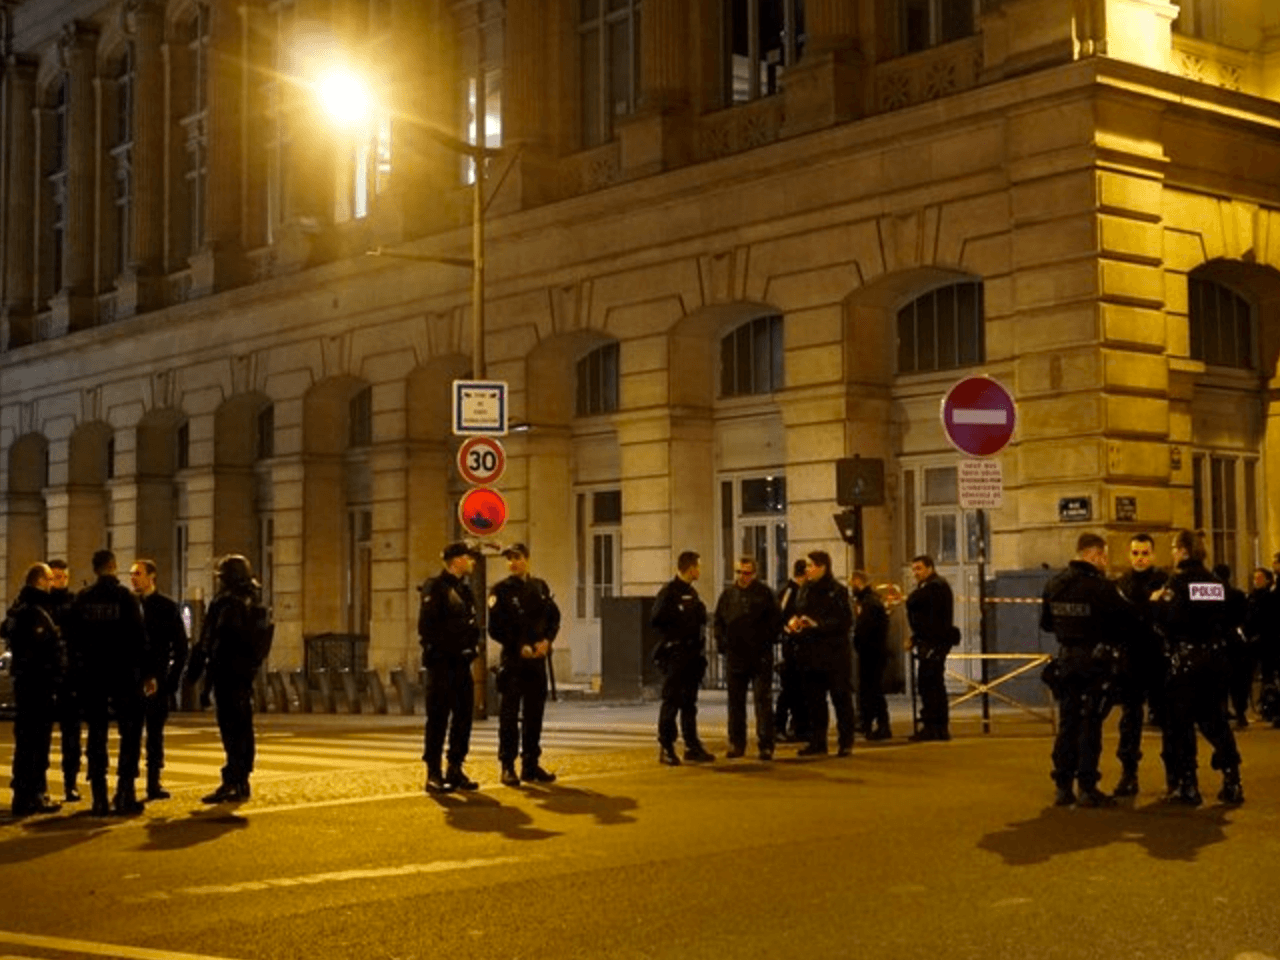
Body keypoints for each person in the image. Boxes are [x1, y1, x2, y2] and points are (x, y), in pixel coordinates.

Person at [1041, 533, 1137, 807]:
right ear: (1093, 554)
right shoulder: (1100, 588)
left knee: (1067, 724)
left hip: (1065, 662)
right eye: (1103, 556)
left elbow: (1047, 624)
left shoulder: (1054, 584)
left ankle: (1062, 785)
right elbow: (1126, 621)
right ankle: (1087, 785)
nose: (1105, 562)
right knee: (1090, 724)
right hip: (1093, 662)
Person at [1153, 529, 1243, 806]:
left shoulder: (1177, 584)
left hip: (1186, 661)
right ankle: (1232, 779)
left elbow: (1168, 620)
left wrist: (1155, 604)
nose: (1172, 552)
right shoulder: (1216, 582)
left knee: (1182, 724)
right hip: (1215, 660)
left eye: (1173, 547)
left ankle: (1188, 784)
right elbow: (1233, 614)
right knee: (1216, 721)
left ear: (1183, 550)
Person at [69, 549, 154, 816]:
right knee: (130, 734)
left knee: (96, 735)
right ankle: (125, 792)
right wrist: (148, 674)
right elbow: (140, 638)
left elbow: (73, 641)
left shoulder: (83, 599)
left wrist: (77, 673)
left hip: (93, 676)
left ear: (95, 569)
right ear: (114, 567)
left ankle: (99, 797)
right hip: (124, 675)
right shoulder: (126, 598)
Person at [192, 554, 272, 804]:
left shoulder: (226, 602)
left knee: (231, 728)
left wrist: (201, 677)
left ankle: (232, 780)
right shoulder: (255, 600)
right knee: (243, 727)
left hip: (226, 671)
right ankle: (242, 778)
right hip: (245, 672)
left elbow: (214, 641)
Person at [488, 543, 560, 786]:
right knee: (509, 715)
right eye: (509, 559)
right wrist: (519, 645)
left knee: (534, 715)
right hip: (514, 661)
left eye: (517, 558)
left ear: (527, 559)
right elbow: (495, 628)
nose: (513, 563)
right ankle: (507, 765)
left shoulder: (539, 587)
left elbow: (553, 618)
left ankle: (531, 764)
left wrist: (547, 641)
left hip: (537, 662)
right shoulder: (500, 590)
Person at [419, 542, 483, 792]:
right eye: (469, 557)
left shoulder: (464, 591)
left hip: (461, 664)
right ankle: (433, 772)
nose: (472, 562)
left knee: (463, 717)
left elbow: (471, 625)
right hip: (441, 664)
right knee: (438, 718)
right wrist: (448, 649)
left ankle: (455, 767)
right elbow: (428, 627)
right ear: (457, 560)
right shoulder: (435, 586)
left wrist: (471, 648)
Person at [1111, 533, 1169, 796]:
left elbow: (1165, 618)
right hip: (1131, 660)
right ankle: (1129, 773)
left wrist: (1143, 611)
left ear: (1153, 555)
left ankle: (1176, 774)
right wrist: (1149, 606)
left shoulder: (1164, 581)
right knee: (1130, 719)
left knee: (1169, 719)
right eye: (1136, 553)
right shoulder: (1122, 583)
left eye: (1145, 553)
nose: (1140, 558)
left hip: (1158, 659)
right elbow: (1124, 621)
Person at [4, 563, 63, 816]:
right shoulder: (38, 610)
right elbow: (46, 647)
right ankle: (36, 795)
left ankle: (22, 794)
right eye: (50, 579)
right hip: (39, 682)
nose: (53, 584)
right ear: (40, 581)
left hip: (24, 682)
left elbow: (4, 629)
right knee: (37, 742)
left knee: (24, 741)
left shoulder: (17, 608)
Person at [130, 559, 189, 801]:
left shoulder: (166, 607)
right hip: (131, 678)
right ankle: (128, 783)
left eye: (139, 574)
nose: (134, 578)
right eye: (132, 574)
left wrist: (172, 680)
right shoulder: (128, 604)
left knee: (155, 733)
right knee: (131, 733)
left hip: (157, 678)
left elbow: (181, 646)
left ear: (152, 576)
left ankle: (153, 781)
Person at [787, 551, 856, 757]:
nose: (806, 569)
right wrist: (796, 622)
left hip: (834, 654)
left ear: (822, 566)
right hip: (810, 653)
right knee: (814, 701)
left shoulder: (837, 591)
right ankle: (817, 741)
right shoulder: (804, 590)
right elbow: (796, 611)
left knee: (840, 698)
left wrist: (819, 625)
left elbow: (845, 621)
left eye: (810, 565)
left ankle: (845, 742)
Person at [713, 556, 782, 761]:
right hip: (736, 656)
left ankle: (766, 744)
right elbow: (719, 621)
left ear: (755, 573)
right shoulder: (728, 595)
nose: (743, 577)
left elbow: (776, 621)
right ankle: (736, 742)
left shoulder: (765, 594)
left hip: (760, 655)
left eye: (747, 573)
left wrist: (766, 640)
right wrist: (722, 644)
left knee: (763, 700)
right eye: (739, 572)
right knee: (735, 702)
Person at [651, 551, 714, 766]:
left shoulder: (692, 593)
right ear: (690, 568)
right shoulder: (669, 593)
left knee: (689, 702)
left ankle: (691, 744)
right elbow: (657, 619)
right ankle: (667, 746)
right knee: (672, 700)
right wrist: (678, 624)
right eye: (698, 566)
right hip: (676, 653)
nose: (699, 570)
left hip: (691, 655)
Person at [905, 554, 956, 742]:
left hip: (935, 642)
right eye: (914, 569)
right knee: (929, 684)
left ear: (930, 568)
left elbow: (916, 603)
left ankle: (935, 726)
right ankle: (934, 726)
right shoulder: (929, 587)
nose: (915, 573)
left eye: (919, 569)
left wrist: (919, 637)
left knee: (931, 684)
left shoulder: (936, 587)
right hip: (928, 641)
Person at [46, 559, 81, 803]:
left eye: (63, 577)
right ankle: (42, 786)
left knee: (72, 735)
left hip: (70, 676)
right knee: (40, 735)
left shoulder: (75, 602)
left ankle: (71, 783)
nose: (59, 581)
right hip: (46, 674)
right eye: (55, 576)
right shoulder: (39, 602)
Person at [850, 571, 892, 740]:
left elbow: (865, 629)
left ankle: (881, 724)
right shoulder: (870, 601)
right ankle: (868, 722)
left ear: (858, 582)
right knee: (870, 690)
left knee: (873, 690)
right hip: (872, 651)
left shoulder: (870, 603)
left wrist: (858, 641)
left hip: (871, 652)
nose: (851, 587)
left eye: (851, 583)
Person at [774, 559, 810, 744]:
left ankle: (799, 725)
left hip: (801, 645)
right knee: (789, 689)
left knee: (799, 689)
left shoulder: (801, 591)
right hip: (792, 645)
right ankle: (778, 725)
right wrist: (789, 627)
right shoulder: (790, 590)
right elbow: (780, 615)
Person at [1213, 564, 1249, 729]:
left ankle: (1221, 710)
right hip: (1234, 639)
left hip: (1217, 639)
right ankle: (1240, 712)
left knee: (1219, 679)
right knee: (1238, 679)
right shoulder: (1238, 595)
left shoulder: (1213, 595)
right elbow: (1245, 617)